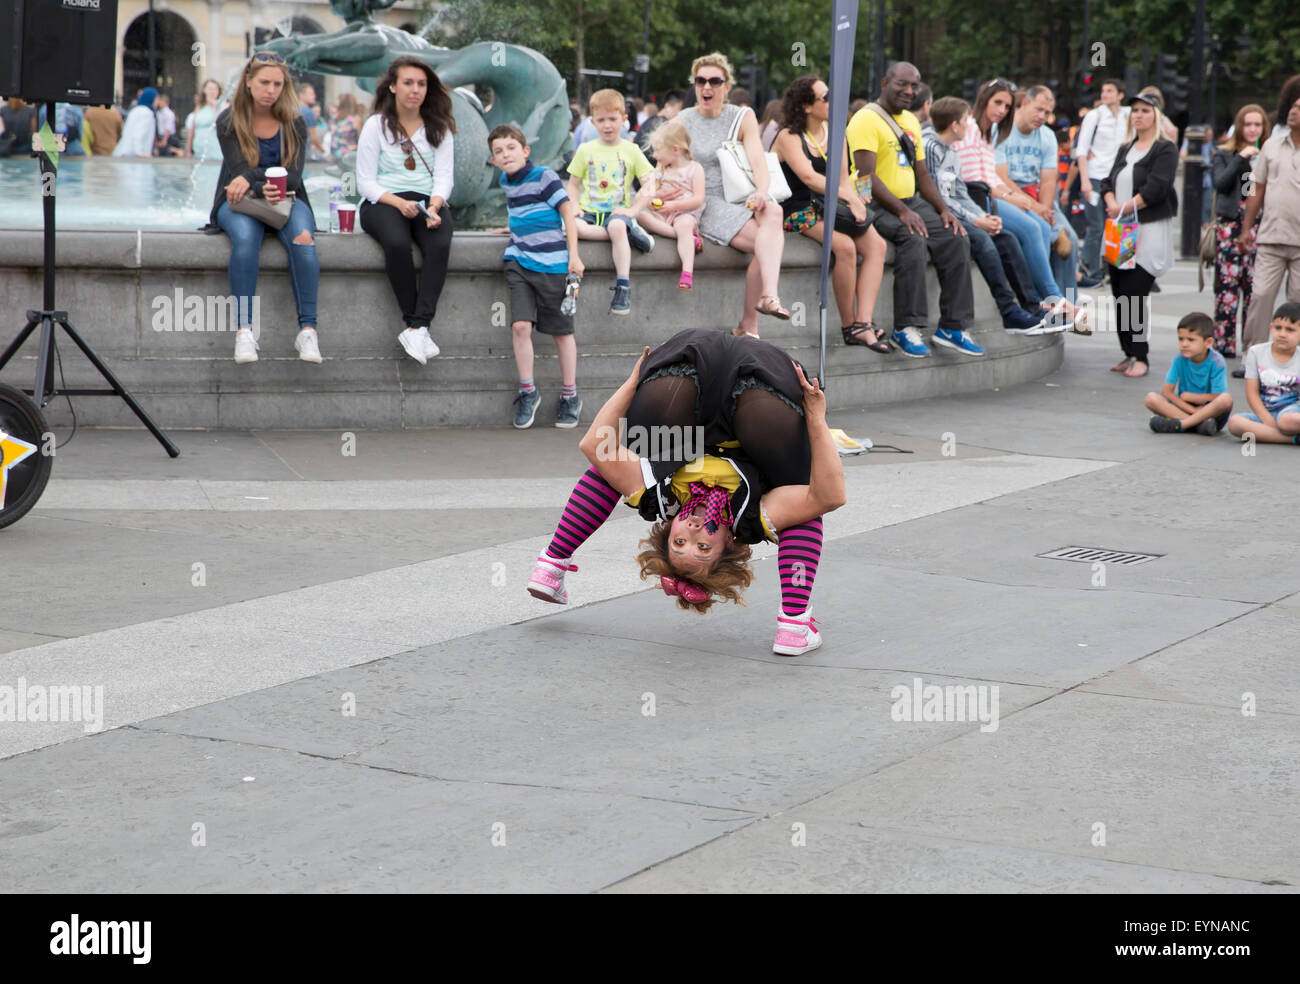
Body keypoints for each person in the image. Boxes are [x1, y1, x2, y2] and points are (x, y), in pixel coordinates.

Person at [528, 328, 846, 657]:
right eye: (703, 547)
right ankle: (793, 624)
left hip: (687, 378)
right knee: (804, 499)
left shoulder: (659, 496)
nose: (692, 532)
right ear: (729, 543)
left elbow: (594, 446)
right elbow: (831, 496)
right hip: (759, 394)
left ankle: (552, 564)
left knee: (618, 464)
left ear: (667, 534)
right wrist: (816, 418)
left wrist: (632, 382)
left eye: (679, 542)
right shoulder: (750, 516)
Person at [848, 62, 984, 357]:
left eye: (914, 86)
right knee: (912, 238)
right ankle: (906, 327)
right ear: (885, 83)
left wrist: (944, 210)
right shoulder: (865, 120)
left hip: (910, 201)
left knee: (955, 236)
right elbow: (865, 178)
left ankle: (953, 327)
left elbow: (922, 174)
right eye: (902, 84)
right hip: (872, 202)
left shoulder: (910, 121)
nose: (909, 91)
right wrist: (902, 212)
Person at [206, 52, 321, 365]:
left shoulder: (295, 121)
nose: (271, 90)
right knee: (245, 242)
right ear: (248, 82)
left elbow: (294, 174)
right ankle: (244, 331)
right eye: (264, 82)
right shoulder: (228, 121)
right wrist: (257, 183)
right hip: (239, 202)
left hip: (289, 198)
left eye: (278, 84)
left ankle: (307, 330)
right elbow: (236, 168)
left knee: (304, 240)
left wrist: (253, 179)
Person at [673, 52, 788, 336]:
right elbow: (666, 162)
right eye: (700, 81)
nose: (706, 88)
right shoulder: (682, 120)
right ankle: (751, 322)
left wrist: (762, 192)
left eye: (714, 81)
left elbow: (757, 161)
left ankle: (768, 297)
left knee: (774, 211)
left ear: (727, 86)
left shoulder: (742, 116)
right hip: (706, 200)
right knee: (768, 244)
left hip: (741, 194)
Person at [953, 79, 1081, 332]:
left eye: (1005, 106)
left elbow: (991, 176)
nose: (1001, 110)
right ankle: (1051, 298)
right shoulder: (970, 128)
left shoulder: (990, 132)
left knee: (1049, 231)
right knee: (1032, 229)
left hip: (994, 194)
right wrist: (1016, 198)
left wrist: (1023, 200)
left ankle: (1054, 301)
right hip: (973, 200)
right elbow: (975, 181)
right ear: (984, 101)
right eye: (997, 103)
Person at [775, 75, 890, 349]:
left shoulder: (836, 131)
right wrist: (848, 197)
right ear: (806, 106)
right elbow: (809, 178)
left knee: (877, 245)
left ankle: (864, 322)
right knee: (846, 247)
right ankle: (849, 327)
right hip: (800, 206)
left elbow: (842, 180)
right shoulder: (788, 136)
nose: (832, 101)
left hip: (830, 204)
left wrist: (855, 201)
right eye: (825, 97)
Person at [357, 56, 456, 365]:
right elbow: (364, 182)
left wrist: (435, 206)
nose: (415, 90)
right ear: (393, 86)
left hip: (428, 200)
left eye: (422, 84)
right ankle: (414, 322)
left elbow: (443, 177)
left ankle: (418, 328)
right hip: (383, 200)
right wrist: (399, 203)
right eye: (408, 83)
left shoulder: (440, 128)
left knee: (439, 244)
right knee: (397, 243)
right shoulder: (376, 125)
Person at [924, 98, 1047, 335]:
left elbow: (959, 191)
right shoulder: (931, 147)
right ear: (954, 125)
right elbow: (939, 197)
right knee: (982, 240)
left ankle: (1030, 306)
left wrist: (983, 216)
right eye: (964, 121)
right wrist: (976, 221)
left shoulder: (951, 150)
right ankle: (1008, 310)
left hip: (960, 211)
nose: (969, 126)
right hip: (940, 213)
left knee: (1006, 238)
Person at [490, 124, 585, 429]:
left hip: (554, 264)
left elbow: (567, 213)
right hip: (519, 260)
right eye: (498, 152)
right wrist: (517, 228)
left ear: (525, 150)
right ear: (494, 160)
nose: (506, 155)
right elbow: (525, 211)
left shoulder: (544, 175)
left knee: (562, 332)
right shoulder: (507, 181)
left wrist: (574, 256)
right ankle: (528, 391)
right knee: (519, 326)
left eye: (511, 148)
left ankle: (570, 395)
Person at [1098, 90, 1179, 378]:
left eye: (1145, 110)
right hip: (1122, 231)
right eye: (1135, 111)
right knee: (1120, 293)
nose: (1139, 115)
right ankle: (1128, 352)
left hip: (1147, 230)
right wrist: (1112, 204)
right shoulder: (1126, 148)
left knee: (1134, 293)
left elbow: (1157, 188)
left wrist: (1125, 207)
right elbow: (1107, 181)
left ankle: (1141, 356)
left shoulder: (1164, 149)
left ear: (1156, 115)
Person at [995, 85, 1100, 295]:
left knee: (1068, 239)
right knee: (1039, 232)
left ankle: (1067, 307)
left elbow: (1049, 180)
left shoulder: (1047, 136)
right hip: (1008, 194)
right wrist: (1036, 209)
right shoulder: (1001, 129)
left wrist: (1044, 209)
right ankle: (1044, 299)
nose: (1042, 116)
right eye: (1038, 109)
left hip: (1039, 197)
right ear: (1024, 104)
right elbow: (1002, 178)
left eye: (1047, 112)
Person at [567, 88, 657, 316]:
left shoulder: (632, 150)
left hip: (618, 212)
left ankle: (623, 286)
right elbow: (573, 184)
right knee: (573, 227)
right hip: (589, 212)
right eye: (601, 120)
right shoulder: (585, 150)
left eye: (613, 119)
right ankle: (631, 234)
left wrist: (634, 210)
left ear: (624, 120)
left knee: (617, 225)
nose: (607, 125)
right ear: (592, 122)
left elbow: (649, 183)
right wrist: (575, 206)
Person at [1238, 88, 1300, 360]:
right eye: (1292, 107)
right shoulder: (1271, 146)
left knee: (1297, 303)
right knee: (1261, 296)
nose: (1293, 111)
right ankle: (1252, 355)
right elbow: (1255, 189)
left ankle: (1294, 358)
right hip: (1271, 236)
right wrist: (1246, 228)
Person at [1210, 104, 1266, 359]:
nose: (1252, 129)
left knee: (1254, 289)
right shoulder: (1225, 154)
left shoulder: (1269, 154)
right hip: (1231, 225)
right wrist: (1241, 158)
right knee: (1227, 289)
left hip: (1260, 226)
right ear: (1239, 126)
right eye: (1248, 124)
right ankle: (1223, 345)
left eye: (1257, 124)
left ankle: (1251, 346)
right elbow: (1221, 184)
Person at [636, 121, 705, 290]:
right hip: (663, 213)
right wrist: (653, 193)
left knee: (684, 225)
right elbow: (644, 194)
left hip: (684, 213)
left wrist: (675, 205)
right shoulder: (662, 170)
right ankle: (688, 238)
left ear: (675, 149)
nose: (655, 155)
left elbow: (698, 199)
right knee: (640, 216)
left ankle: (687, 272)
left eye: (658, 150)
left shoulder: (695, 169)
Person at [1075, 79, 1130, 280]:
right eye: (1103, 90)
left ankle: (1121, 268)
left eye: (1110, 91)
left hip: (1119, 177)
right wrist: (1085, 180)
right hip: (1097, 175)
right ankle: (1090, 269)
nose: (1105, 94)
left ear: (1120, 94)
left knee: (1122, 223)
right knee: (1097, 225)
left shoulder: (1129, 115)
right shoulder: (1095, 116)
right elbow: (1081, 149)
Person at [1144, 312, 1233, 435]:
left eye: (1191, 340)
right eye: (1181, 339)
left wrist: (1192, 397)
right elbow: (1167, 392)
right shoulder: (1178, 359)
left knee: (1226, 400)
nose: (1184, 344)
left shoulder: (1217, 362)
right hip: (1186, 408)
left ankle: (1181, 424)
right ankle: (1198, 425)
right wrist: (1192, 410)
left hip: (1208, 410)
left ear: (1208, 342)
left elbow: (1218, 396)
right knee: (1151, 399)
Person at [1226, 302, 1300, 445]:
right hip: (1266, 413)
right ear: (1271, 328)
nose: (1282, 334)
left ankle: (1272, 433)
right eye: (1278, 328)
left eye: (1290, 330)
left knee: (1286, 421)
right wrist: (1268, 421)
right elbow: (1252, 393)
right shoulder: (1255, 352)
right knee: (1235, 423)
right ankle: (1292, 439)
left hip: (1292, 412)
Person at [635, 88, 684, 162]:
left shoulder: (653, 121)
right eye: (681, 109)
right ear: (667, 106)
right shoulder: (660, 125)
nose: (683, 113)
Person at [113, 88, 158, 157]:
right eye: (156, 99)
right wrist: (140, 153)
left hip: (123, 152)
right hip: (133, 156)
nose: (157, 102)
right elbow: (138, 134)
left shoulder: (136, 110)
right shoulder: (147, 113)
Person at [187, 79, 224, 160]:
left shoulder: (223, 105)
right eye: (210, 89)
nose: (212, 91)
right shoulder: (199, 107)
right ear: (204, 90)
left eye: (215, 89)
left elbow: (221, 124)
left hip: (215, 147)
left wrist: (214, 106)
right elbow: (192, 130)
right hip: (199, 148)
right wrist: (188, 150)